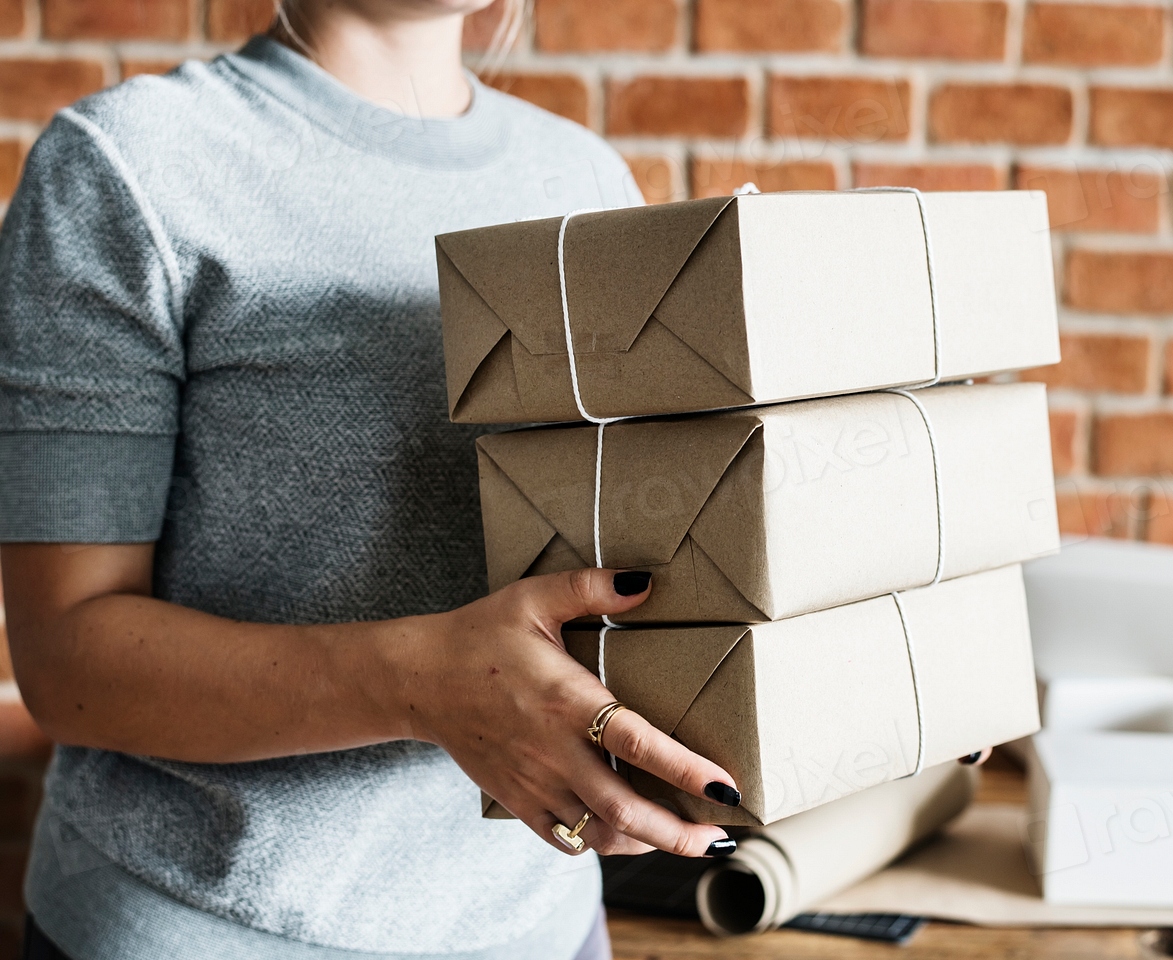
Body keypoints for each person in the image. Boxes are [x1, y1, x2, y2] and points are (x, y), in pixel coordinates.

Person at [0, 2, 744, 958]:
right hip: (204, 929)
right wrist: (422, 682)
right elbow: (64, 663)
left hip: (541, 926)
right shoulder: (127, 162)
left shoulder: (584, 177)